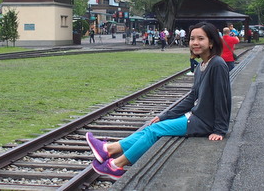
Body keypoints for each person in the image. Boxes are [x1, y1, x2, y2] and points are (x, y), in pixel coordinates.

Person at [86, 21, 231, 179]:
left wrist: (219, 130)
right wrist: (164, 116)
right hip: (196, 117)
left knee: (154, 131)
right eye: (192, 39)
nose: (195, 42)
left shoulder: (217, 64)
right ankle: (109, 150)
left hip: (203, 122)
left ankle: (116, 165)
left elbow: (222, 98)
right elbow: (191, 98)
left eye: (201, 39)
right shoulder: (201, 65)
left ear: (211, 42)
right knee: (150, 128)